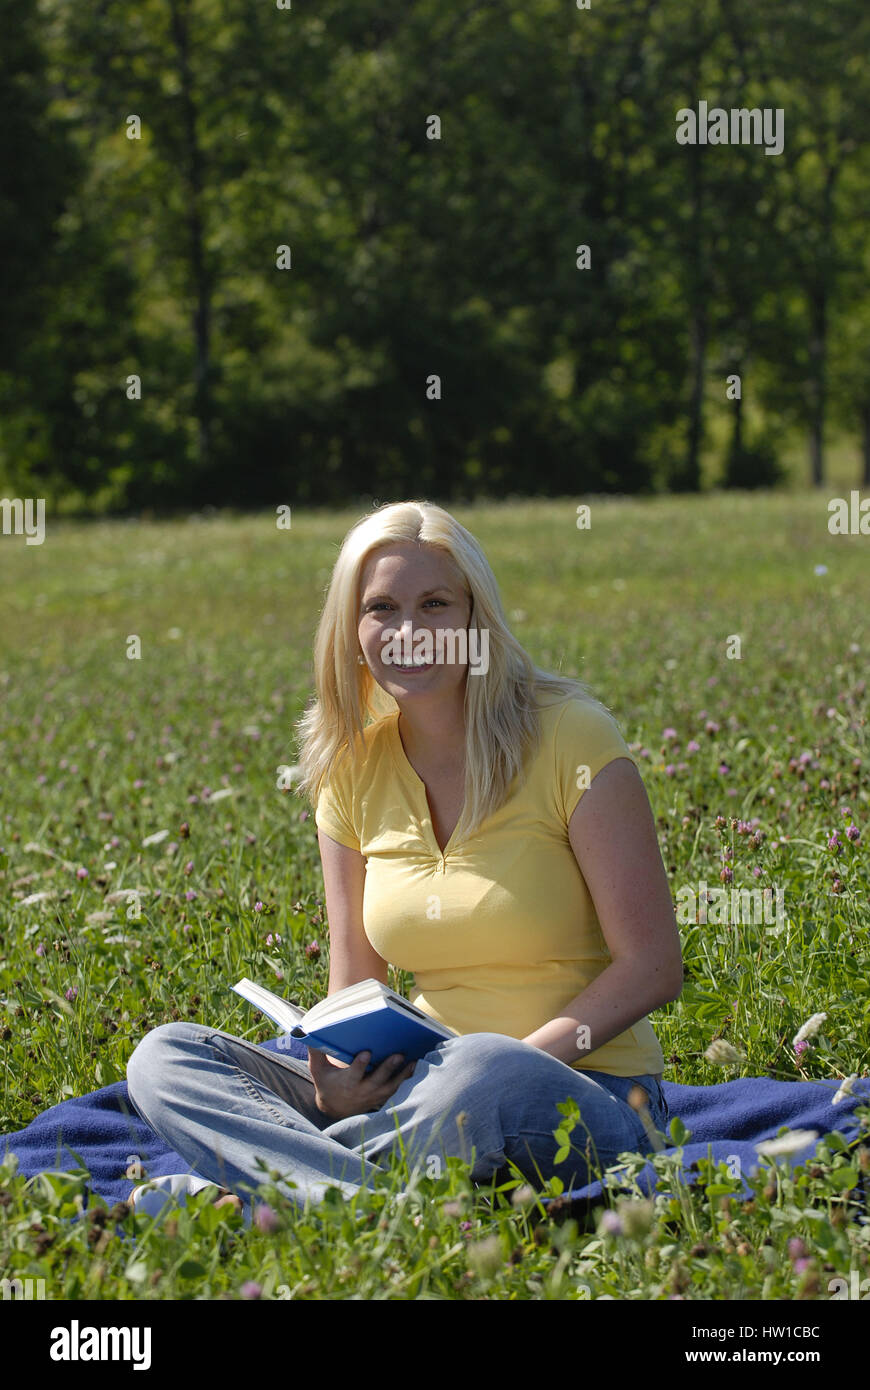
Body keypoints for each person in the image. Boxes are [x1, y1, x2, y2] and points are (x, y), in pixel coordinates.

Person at [126, 501, 682, 1218]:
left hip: (590, 1097)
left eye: (435, 605)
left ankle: (269, 1195)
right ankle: (355, 1194)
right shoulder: (351, 770)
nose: (409, 633)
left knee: (484, 1068)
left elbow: (653, 966)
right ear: (352, 631)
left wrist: (515, 1061)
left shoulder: (572, 737)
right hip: (414, 1085)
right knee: (166, 1056)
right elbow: (353, 983)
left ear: (476, 619)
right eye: (382, 608)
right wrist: (331, 1078)